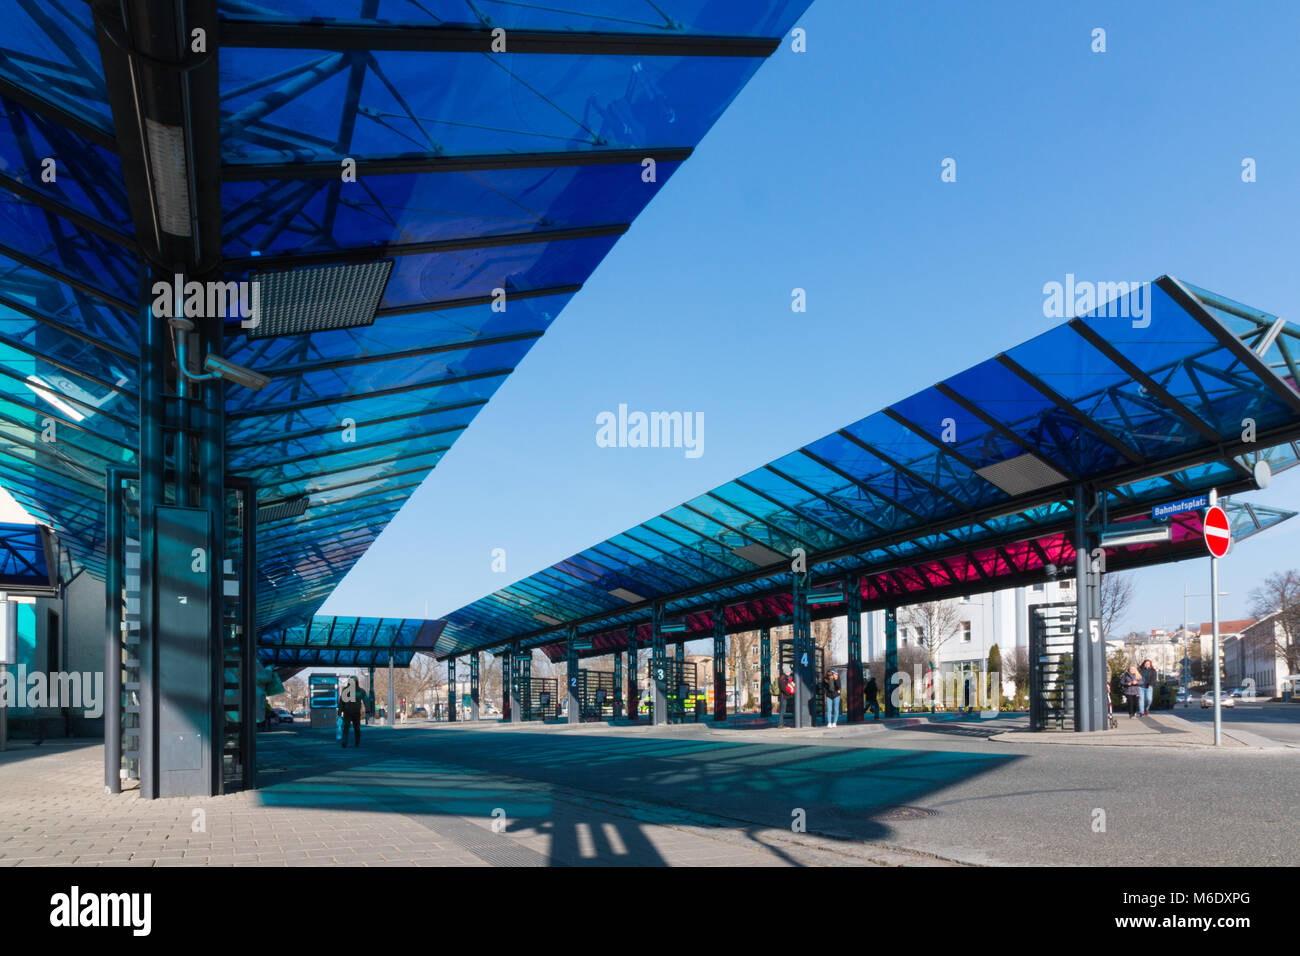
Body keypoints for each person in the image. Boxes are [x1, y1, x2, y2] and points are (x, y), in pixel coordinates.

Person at [337, 677, 363, 748]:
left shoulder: (345, 690)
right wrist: (368, 710)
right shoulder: (360, 690)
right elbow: (366, 700)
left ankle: (344, 742)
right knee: (357, 728)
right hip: (356, 712)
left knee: (346, 728)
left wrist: (339, 712)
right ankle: (357, 742)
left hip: (347, 712)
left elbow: (341, 702)